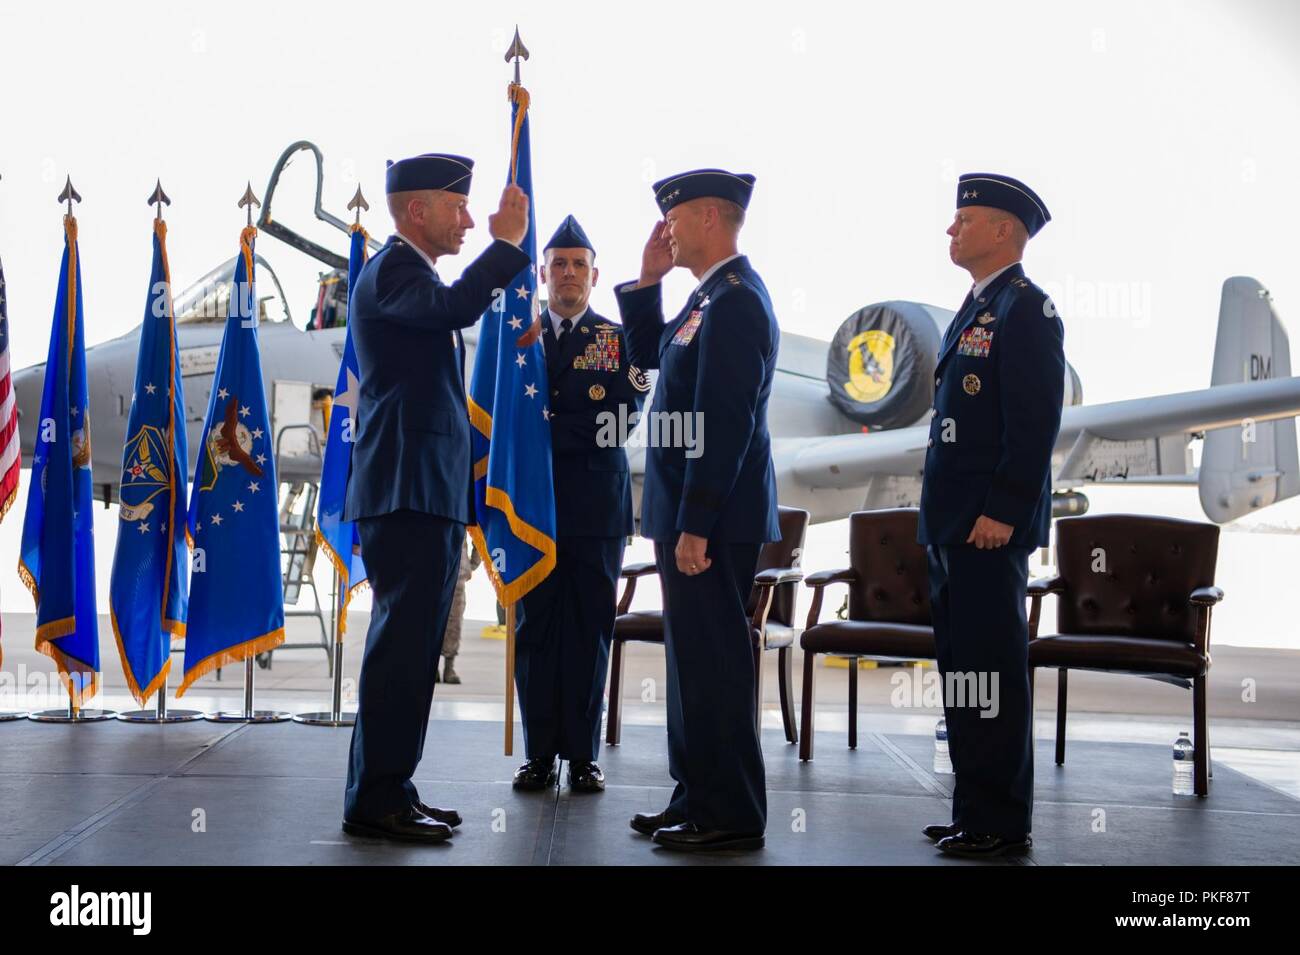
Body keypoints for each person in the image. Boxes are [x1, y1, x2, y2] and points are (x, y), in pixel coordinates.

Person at [341, 153, 531, 844]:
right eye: (458, 208)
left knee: (415, 647)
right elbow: (455, 304)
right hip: (406, 488)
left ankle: (392, 786)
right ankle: (375, 798)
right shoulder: (393, 269)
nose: (470, 220)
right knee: (402, 646)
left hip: (424, 488)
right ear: (417, 210)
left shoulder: (407, 275)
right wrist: (506, 246)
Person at [614, 169, 780, 852]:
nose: (667, 229)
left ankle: (731, 810)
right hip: (685, 512)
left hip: (711, 519)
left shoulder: (737, 302)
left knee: (715, 664)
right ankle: (695, 793)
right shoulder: (703, 301)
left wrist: (697, 520)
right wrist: (649, 283)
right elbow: (652, 361)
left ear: (711, 217)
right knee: (690, 664)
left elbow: (726, 419)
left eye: (676, 218)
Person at [918, 172, 1065, 857]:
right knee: (966, 674)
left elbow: (1034, 422)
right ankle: (972, 809)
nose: (951, 230)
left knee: (993, 678)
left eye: (964, 220)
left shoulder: (1026, 310)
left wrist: (1004, 510)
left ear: (1003, 229)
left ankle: (1002, 822)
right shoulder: (978, 306)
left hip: (986, 527)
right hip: (954, 527)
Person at [511, 215, 648, 794]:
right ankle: (540, 755)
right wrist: (564, 426)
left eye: (579, 265)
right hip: (531, 510)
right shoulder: (516, 340)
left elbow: (621, 419)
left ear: (595, 275)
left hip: (594, 512)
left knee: (591, 631)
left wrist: (544, 428)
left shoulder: (619, 341)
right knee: (535, 629)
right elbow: (503, 420)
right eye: (559, 264)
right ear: (542, 273)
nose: (568, 274)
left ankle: (584, 756)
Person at [435, 536, 480, 685]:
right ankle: (431, 667)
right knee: (430, 620)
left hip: (457, 569)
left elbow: (478, 531)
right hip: (430, 565)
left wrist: (472, 563)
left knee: (454, 622)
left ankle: (449, 667)